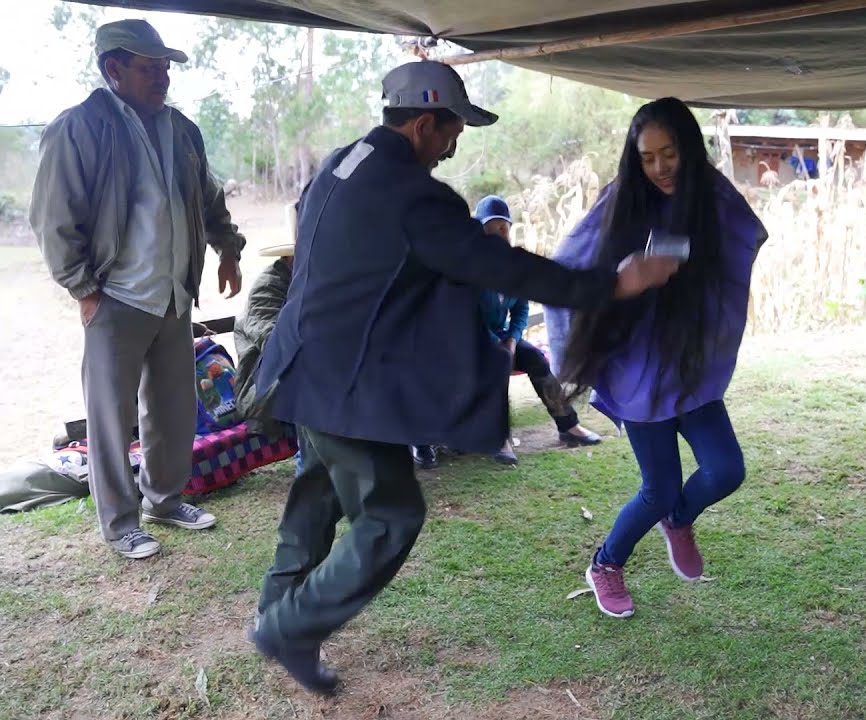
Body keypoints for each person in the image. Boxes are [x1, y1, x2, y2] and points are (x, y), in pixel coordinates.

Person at [249, 60, 678, 694]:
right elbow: (496, 266)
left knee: (317, 496)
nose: (453, 146)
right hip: (346, 384)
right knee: (391, 515)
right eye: (452, 132)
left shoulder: (342, 163)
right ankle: (287, 626)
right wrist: (610, 283)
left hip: (301, 366)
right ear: (424, 124)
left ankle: (280, 612)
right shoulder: (414, 194)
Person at [29, 19, 245, 560]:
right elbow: (54, 218)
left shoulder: (182, 129)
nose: (162, 78)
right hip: (115, 297)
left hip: (172, 293)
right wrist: (84, 290)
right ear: (113, 70)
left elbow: (208, 198)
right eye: (150, 69)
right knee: (111, 416)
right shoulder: (79, 128)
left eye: (165, 68)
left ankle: (165, 499)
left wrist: (230, 248)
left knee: (171, 409)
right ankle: (121, 523)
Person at [547, 97, 768, 619]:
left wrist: (690, 262)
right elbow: (569, 263)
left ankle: (679, 520)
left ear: (688, 148)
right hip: (638, 368)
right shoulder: (621, 199)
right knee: (660, 485)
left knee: (726, 469)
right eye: (647, 157)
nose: (660, 168)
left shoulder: (709, 193)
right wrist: (624, 275)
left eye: (669, 154)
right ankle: (605, 563)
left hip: (689, 362)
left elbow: (746, 238)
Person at [472, 194, 602, 465]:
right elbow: (465, 316)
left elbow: (520, 310)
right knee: (497, 365)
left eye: (503, 228)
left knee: (535, 358)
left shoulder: (511, 268)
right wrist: (498, 342)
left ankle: (568, 425)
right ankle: (499, 438)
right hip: (471, 343)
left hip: (503, 339)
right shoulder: (469, 269)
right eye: (490, 228)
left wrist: (512, 339)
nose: (498, 235)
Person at [233, 241, 294, 440]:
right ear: (289, 258)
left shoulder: (309, 277)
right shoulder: (268, 286)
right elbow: (275, 342)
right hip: (265, 391)